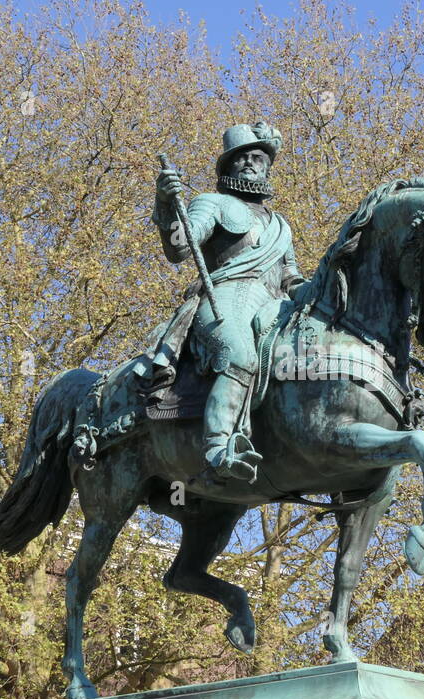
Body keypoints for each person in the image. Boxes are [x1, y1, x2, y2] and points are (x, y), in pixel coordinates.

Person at [147, 121, 308, 484]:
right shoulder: (213, 203)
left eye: (259, 158)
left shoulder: (280, 224)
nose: (251, 164)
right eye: (242, 158)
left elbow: (291, 277)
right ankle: (219, 447)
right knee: (241, 357)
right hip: (225, 296)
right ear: (228, 167)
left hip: (273, 306)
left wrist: (319, 290)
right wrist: (166, 205)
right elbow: (179, 248)